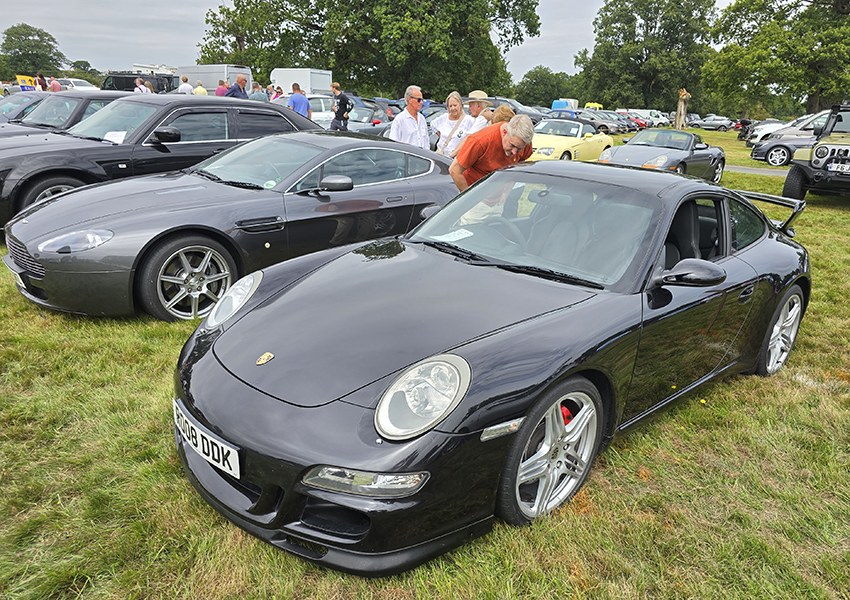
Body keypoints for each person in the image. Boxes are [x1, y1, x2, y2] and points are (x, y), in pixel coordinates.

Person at [449, 114, 534, 192]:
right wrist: (468, 199)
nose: (514, 152)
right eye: (512, 145)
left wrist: (507, 190)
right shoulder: (481, 141)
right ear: (505, 132)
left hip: (498, 197)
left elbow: (518, 167)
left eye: (519, 148)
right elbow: (454, 170)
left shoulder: (524, 142)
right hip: (476, 195)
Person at [431, 91, 474, 156]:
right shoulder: (444, 118)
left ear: (460, 104)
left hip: (457, 159)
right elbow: (433, 125)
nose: (453, 108)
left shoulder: (468, 120)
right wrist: (443, 137)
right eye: (450, 106)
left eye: (455, 105)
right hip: (441, 156)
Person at [389, 85, 429, 149]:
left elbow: (426, 142)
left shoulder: (422, 119)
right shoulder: (399, 119)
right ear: (410, 99)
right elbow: (394, 144)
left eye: (422, 100)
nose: (421, 102)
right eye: (419, 100)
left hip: (422, 157)